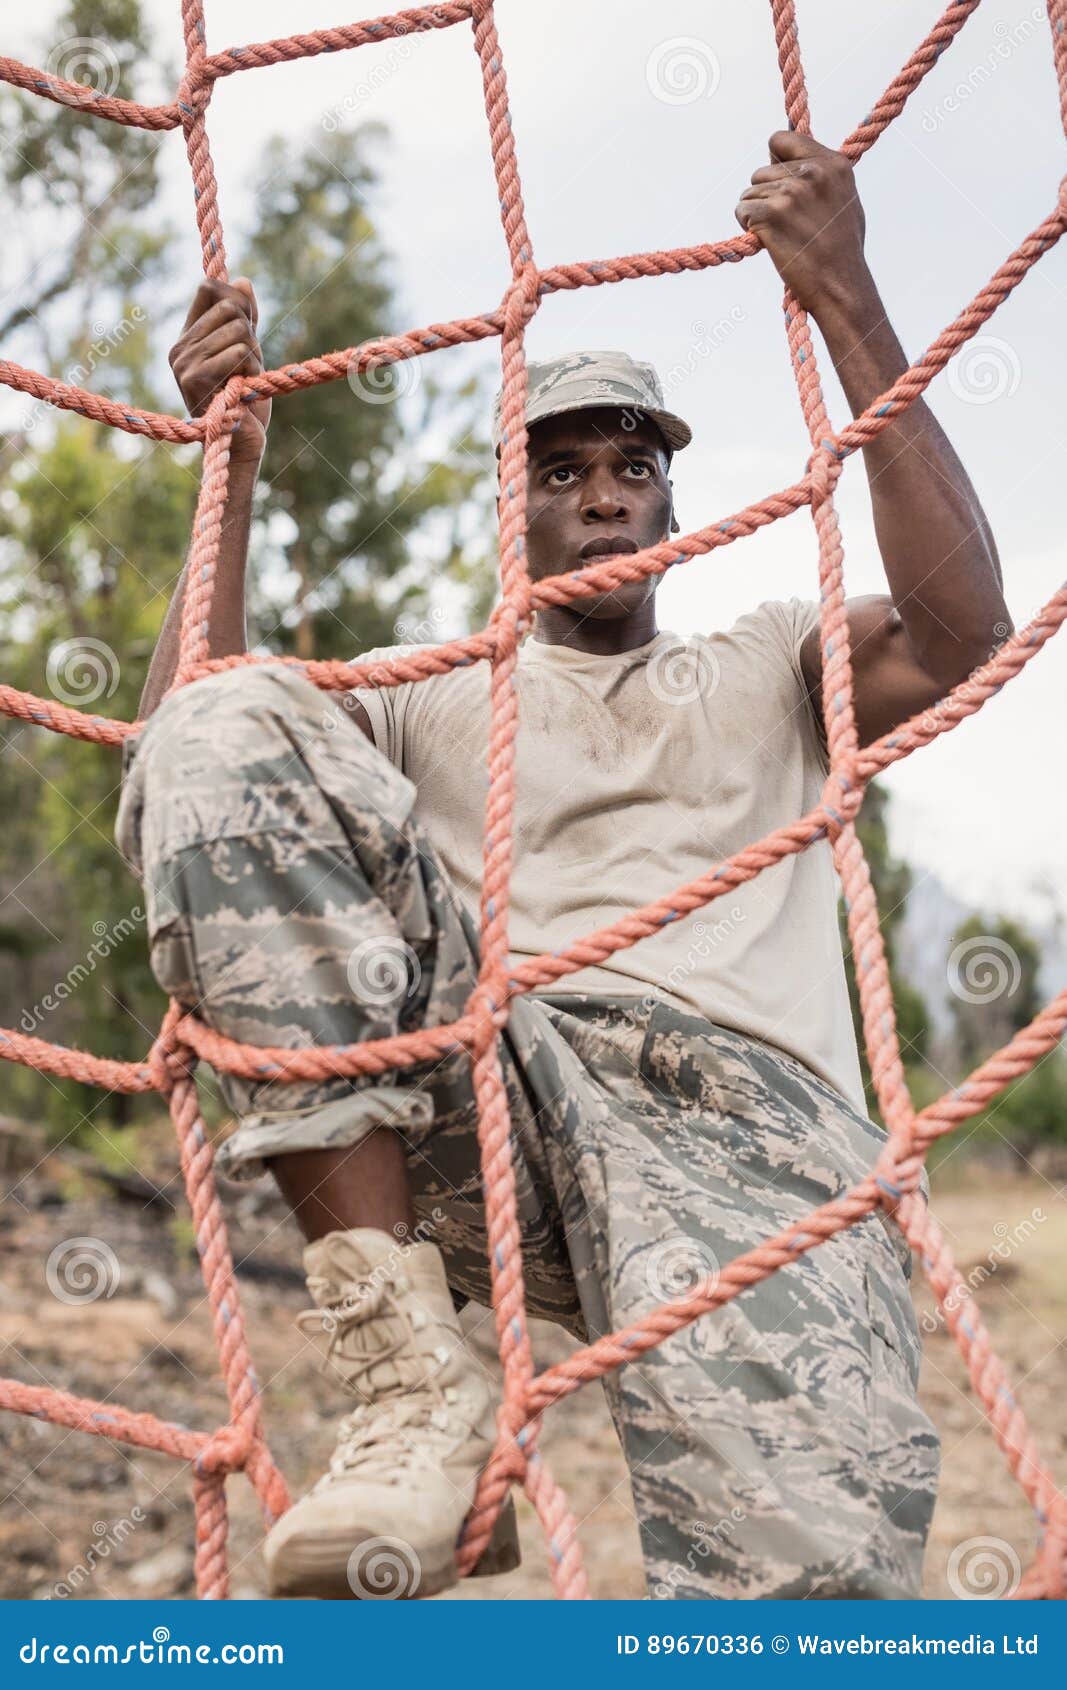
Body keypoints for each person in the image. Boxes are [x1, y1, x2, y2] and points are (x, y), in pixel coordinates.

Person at [115, 132, 1010, 1600]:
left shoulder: (771, 657)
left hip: (751, 1134)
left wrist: (847, 295)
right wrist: (231, 465)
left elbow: (967, 633)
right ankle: (417, 1394)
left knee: (806, 1612)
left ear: (670, 506)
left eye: (634, 465)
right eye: (560, 465)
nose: (602, 492)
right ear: (504, 506)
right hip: (503, 1105)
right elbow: (186, 771)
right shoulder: (431, 693)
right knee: (222, 727)